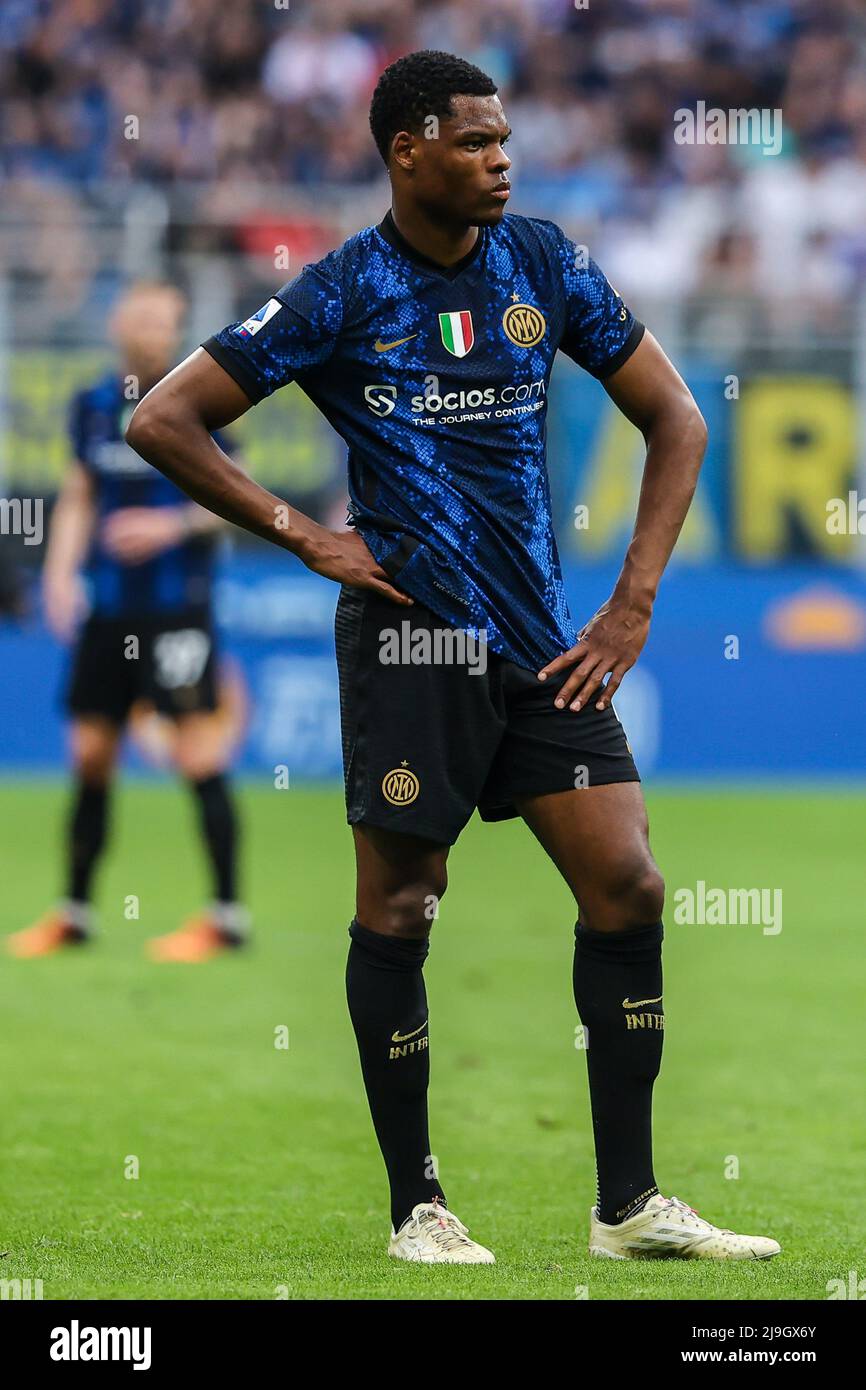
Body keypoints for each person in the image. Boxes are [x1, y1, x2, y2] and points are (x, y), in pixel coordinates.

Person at [123, 52, 780, 1261]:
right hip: (409, 639)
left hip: (542, 646)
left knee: (626, 883)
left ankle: (627, 1207)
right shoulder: (340, 291)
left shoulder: (539, 260)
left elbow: (676, 417)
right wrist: (303, 532)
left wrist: (631, 604)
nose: (500, 158)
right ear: (406, 150)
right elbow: (160, 416)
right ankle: (415, 1204)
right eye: (474, 141)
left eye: (504, 138)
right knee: (403, 904)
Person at [8, 282, 249, 964]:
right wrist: (59, 575)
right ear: (116, 322)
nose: (148, 329)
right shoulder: (90, 405)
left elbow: (240, 493)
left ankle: (227, 916)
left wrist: (169, 524)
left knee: (197, 750)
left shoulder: (206, 395)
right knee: (88, 752)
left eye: (161, 319)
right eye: (137, 316)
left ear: (178, 325)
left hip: (177, 609)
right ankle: (75, 911)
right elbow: (81, 494)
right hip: (108, 612)